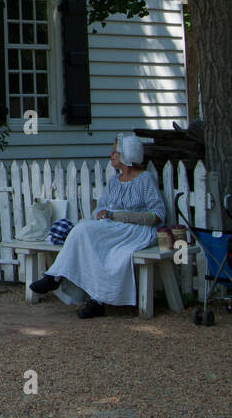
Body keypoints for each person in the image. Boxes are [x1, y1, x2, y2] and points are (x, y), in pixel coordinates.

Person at [28, 133, 166, 318]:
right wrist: (101, 213)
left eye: (115, 152)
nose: (111, 155)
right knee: (86, 236)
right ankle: (85, 294)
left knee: (100, 242)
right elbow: (102, 207)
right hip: (113, 228)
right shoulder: (114, 182)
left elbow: (157, 214)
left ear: (127, 155)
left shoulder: (145, 179)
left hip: (136, 231)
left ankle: (62, 280)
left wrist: (121, 216)